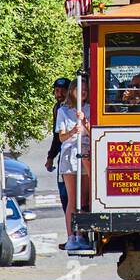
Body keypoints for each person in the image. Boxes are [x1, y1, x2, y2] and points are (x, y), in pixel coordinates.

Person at [55, 79, 91, 251]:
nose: (83, 92)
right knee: (72, 198)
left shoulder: (91, 109)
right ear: (73, 91)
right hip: (70, 155)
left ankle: (82, 235)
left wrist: (84, 122)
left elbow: (94, 132)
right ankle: (71, 236)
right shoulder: (63, 111)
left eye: (85, 89)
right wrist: (71, 132)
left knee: (83, 199)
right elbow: (61, 137)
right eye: (79, 89)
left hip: (85, 154)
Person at [45, 77, 71, 214]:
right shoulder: (57, 108)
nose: (59, 94)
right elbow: (57, 137)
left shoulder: (71, 108)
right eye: (57, 91)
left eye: (63, 91)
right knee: (64, 192)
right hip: (64, 155)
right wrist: (51, 157)